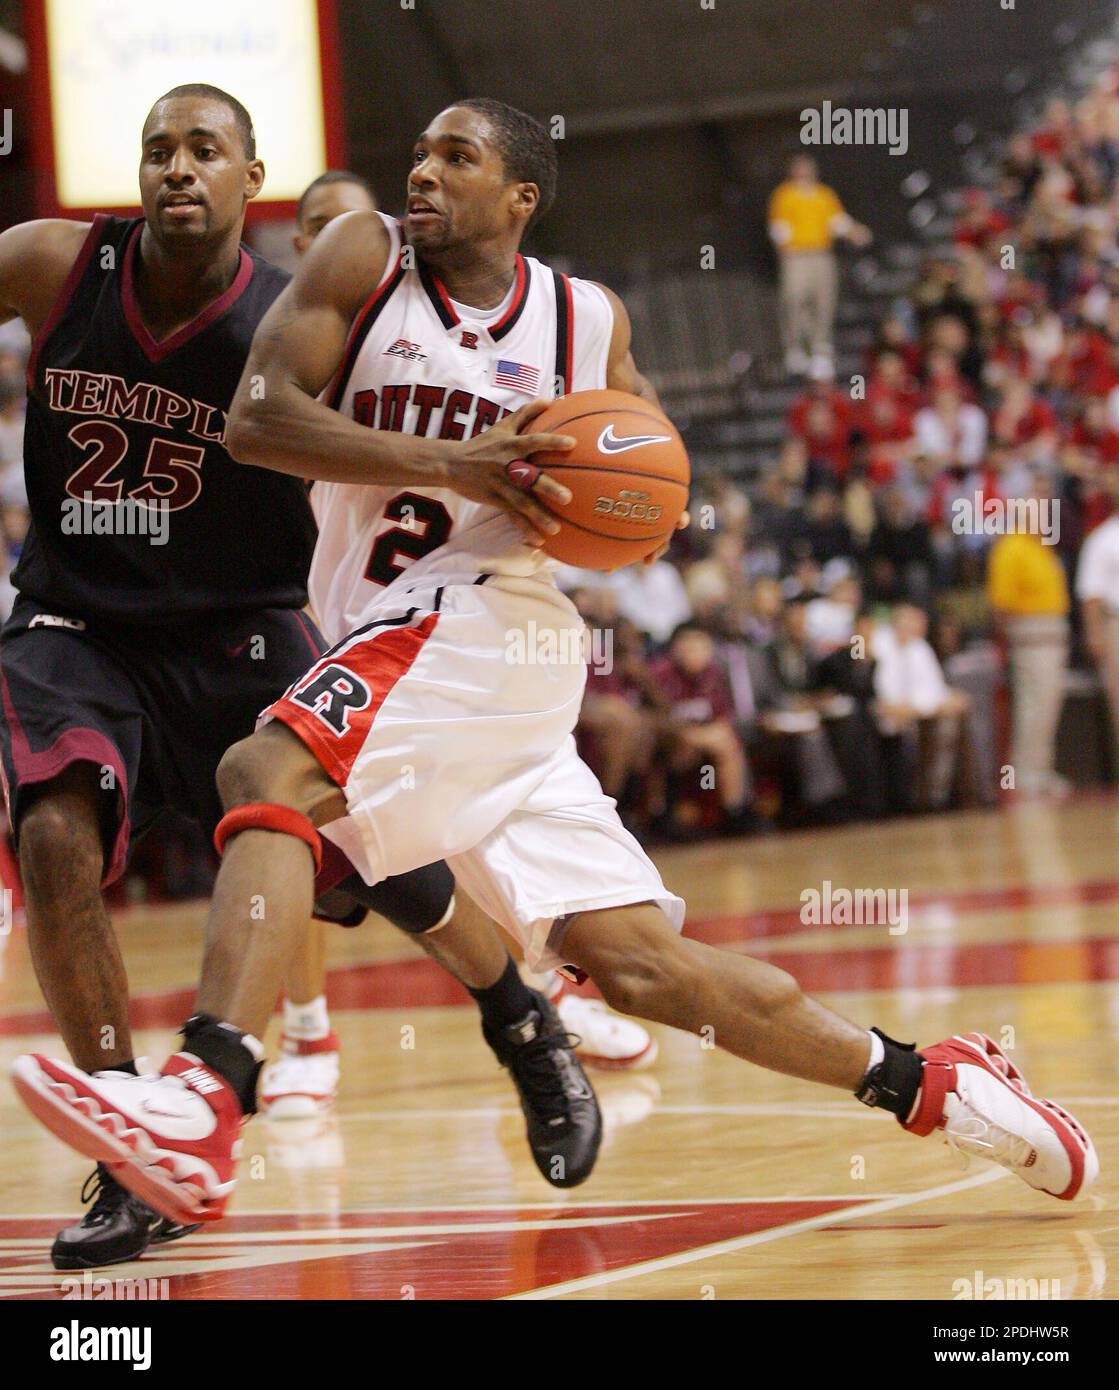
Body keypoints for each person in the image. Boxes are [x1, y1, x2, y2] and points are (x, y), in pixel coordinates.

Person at [12, 99, 1097, 1225]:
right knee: (641, 964)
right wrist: (461, 464)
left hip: (486, 622)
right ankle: (934, 1082)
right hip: (402, 643)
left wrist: (608, 501)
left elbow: (655, 500)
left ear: (519, 197)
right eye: (419, 150)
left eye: (455, 157)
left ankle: (205, 1095)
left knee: (264, 772)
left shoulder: (585, 321)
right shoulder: (365, 256)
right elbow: (255, 419)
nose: (422, 171)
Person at [0, 87, 604, 1269]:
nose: (179, 168)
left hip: (240, 623)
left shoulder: (297, 322)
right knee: (53, 836)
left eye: (205, 150)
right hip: (77, 618)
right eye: (158, 149)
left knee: (371, 847)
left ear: (249, 178)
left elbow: (415, 435)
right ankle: (136, 1142)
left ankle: (517, 1011)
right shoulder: (49, 264)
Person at [263, 171, 657, 1113]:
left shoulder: (526, 323)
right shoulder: (295, 329)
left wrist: (625, 491)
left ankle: (535, 993)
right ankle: (309, 1023)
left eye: (344, 224)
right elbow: (254, 426)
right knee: (290, 817)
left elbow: (628, 444)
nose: (332, 240)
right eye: (312, 231)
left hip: (454, 621)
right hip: (293, 599)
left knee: (318, 806)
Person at [767, 154, 871, 377]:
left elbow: (836, 222)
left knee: (823, 300)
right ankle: (796, 346)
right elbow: (778, 226)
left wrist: (854, 232)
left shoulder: (824, 195)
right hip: (797, 254)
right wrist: (783, 250)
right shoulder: (785, 195)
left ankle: (820, 346)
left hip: (821, 253)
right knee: (794, 299)